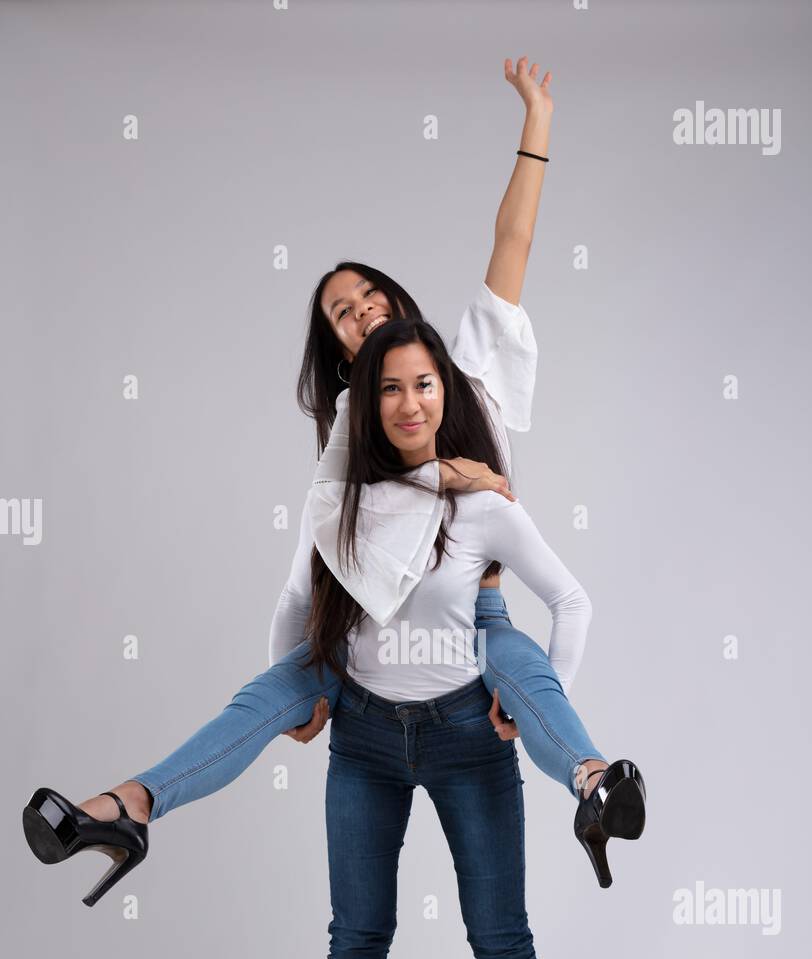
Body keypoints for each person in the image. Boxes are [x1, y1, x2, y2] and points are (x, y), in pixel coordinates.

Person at [21, 55, 641, 906]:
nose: (360, 311)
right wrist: (298, 689)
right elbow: (304, 577)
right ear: (346, 353)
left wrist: (537, 118)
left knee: (523, 664)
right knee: (262, 696)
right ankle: (127, 806)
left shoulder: (467, 366)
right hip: (366, 637)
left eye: (368, 294)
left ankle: (596, 786)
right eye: (342, 314)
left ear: (399, 301)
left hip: (472, 611)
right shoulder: (352, 437)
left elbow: (513, 242)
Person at [298, 314, 644, 959]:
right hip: (366, 740)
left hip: (463, 736)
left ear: (447, 395)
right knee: (355, 944)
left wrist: (530, 700)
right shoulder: (344, 501)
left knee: (503, 945)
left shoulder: (483, 507)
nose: (409, 402)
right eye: (389, 387)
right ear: (367, 405)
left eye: (425, 384)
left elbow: (571, 600)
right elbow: (303, 599)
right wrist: (299, 686)